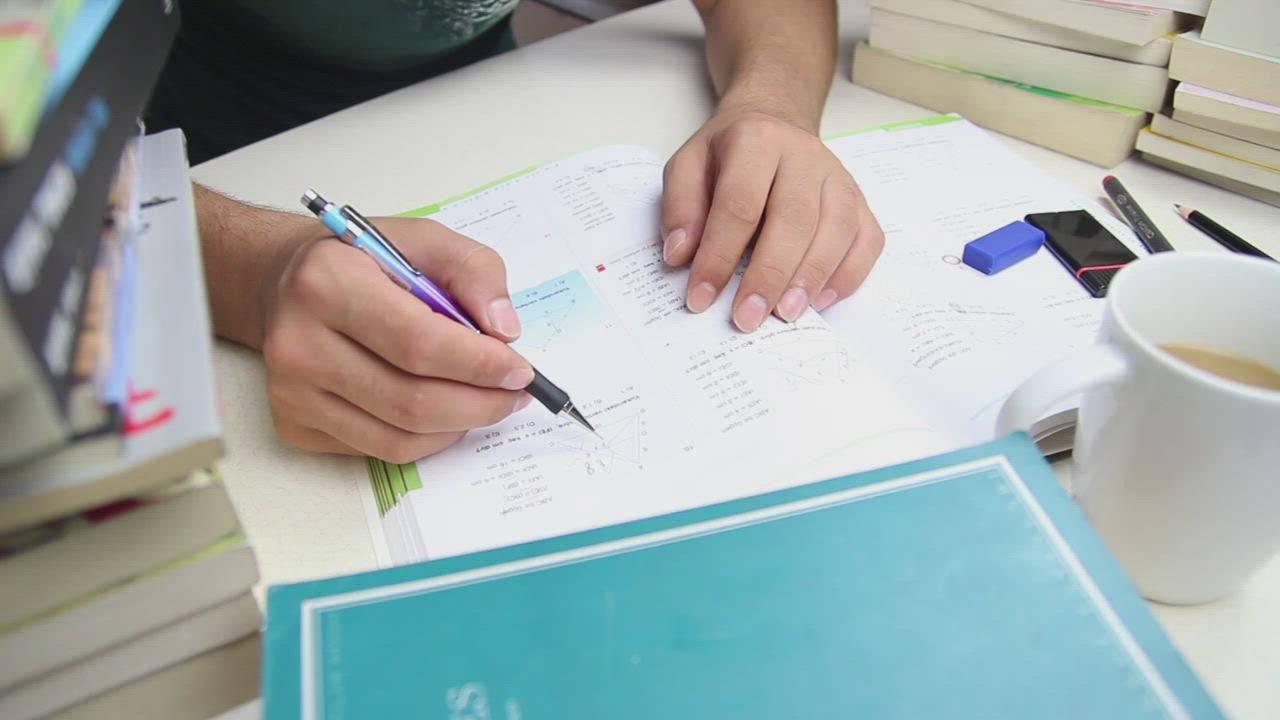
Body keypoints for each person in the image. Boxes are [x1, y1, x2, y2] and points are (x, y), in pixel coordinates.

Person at [162, 0, 885, 463]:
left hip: (494, 109)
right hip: (195, 164)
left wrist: (771, 103)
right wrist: (253, 272)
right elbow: (54, 161)